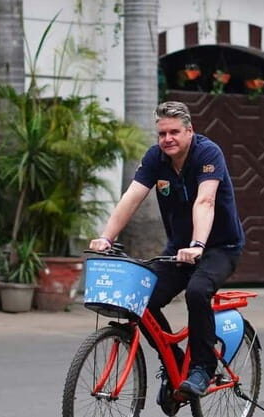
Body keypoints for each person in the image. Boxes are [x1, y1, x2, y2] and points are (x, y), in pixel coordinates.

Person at [89, 101, 245, 397]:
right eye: (162, 133)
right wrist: (106, 238)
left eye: (174, 132)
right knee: (140, 297)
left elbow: (205, 201)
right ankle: (174, 363)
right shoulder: (155, 159)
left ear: (189, 131)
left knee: (197, 291)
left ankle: (202, 368)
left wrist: (198, 244)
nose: (167, 139)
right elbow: (131, 198)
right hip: (178, 249)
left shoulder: (208, 153)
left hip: (220, 247)